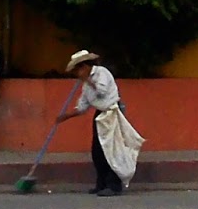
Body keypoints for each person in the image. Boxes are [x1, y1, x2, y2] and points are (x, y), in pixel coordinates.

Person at [56, 49, 144, 195]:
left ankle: (114, 185)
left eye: (78, 70)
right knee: (97, 152)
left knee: (111, 150)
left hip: (112, 112)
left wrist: (89, 80)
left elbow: (102, 91)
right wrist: (66, 116)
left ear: (84, 67)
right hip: (100, 114)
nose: (77, 74)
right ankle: (101, 183)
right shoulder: (85, 85)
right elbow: (83, 106)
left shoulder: (101, 73)